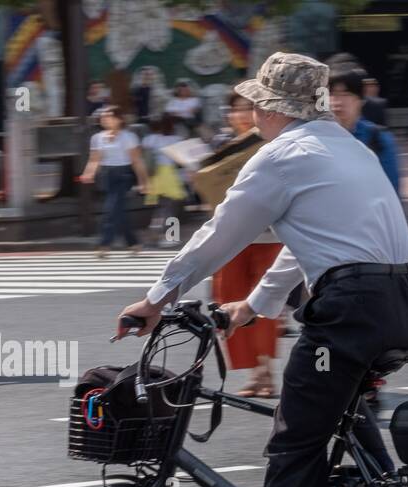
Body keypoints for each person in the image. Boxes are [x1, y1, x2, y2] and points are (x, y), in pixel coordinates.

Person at [116, 53, 408, 487]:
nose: (251, 112)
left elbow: (220, 236)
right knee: (343, 415)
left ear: (266, 107)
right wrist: (252, 307)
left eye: (253, 103)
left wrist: (155, 299)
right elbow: (306, 241)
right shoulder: (345, 146)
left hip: (353, 310)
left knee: (292, 446)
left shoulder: (279, 157)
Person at [193, 92, 284, 398]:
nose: (242, 114)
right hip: (232, 239)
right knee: (229, 300)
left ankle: (265, 370)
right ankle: (253, 372)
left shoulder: (272, 142)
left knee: (261, 303)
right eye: (236, 109)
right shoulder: (222, 149)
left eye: (249, 108)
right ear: (229, 115)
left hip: (269, 237)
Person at [80, 106, 148, 258]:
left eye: (109, 116)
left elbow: (137, 161)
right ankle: (134, 243)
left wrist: (144, 181)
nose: (105, 118)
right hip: (107, 175)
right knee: (119, 211)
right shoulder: (98, 137)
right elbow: (95, 159)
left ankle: (104, 244)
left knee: (110, 209)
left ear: (119, 119)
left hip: (123, 174)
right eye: (103, 116)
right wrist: (88, 173)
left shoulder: (129, 137)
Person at [330, 68, 400, 193]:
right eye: (332, 94)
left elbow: (392, 189)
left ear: (360, 100)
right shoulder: (316, 137)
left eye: (346, 94)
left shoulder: (378, 137)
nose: (338, 101)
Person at [140, 116, 186, 248]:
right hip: (170, 174)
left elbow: (145, 157)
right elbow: (181, 159)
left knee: (160, 207)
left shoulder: (149, 139)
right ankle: (171, 237)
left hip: (154, 175)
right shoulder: (175, 139)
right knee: (171, 208)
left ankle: (154, 234)